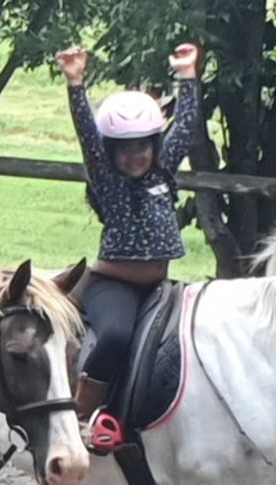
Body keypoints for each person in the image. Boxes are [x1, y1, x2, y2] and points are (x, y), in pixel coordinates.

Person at [55, 41, 203, 453]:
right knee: (117, 336)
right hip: (113, 285)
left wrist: (187, 77)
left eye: (142, 146)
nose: (135, 155)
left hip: (160, 285)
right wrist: (76, 83)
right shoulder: (109, 181)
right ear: (111, 152)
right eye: (125, 148)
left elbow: (186, 128)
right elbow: (87, 134)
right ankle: (83, 416)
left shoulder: (163, 174)